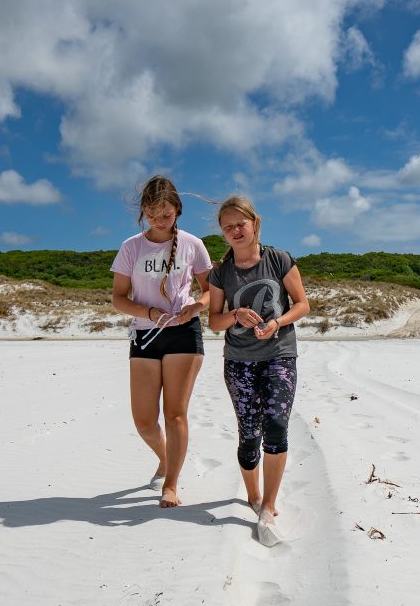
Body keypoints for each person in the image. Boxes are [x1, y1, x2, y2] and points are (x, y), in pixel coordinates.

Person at [206, 195, 310, 546]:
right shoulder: (221, 273)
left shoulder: (279, 260)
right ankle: (252, 495)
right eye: (228, 227)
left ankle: (268, 504)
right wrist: (235, 315)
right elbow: (214, 322)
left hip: (280, 354)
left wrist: (277, 321)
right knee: (249, 433)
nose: (235, 231)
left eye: (240, 224)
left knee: (277, 426)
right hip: (239, 361)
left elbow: (302, 304)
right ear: (223, 233)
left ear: (255, 224)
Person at [110, 175, 212, 508]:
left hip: (184, 333)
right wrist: (149, 312)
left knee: (175, 414)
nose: (159, 220)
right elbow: (118, 298)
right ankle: (166, 457)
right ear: (143, 213)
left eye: (165, 214)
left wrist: (195, 306)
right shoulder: (131, 247)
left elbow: (212, 292)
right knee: (143, 420)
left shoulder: (193, 245)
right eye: (152, 215)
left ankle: (171, 484)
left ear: (177, 211)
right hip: (144, 333)